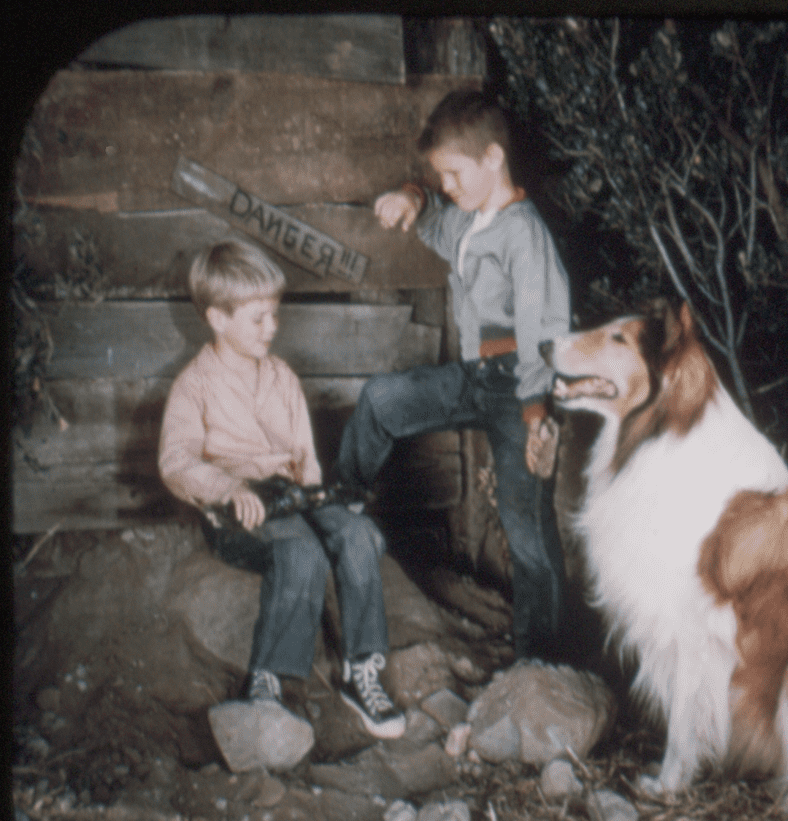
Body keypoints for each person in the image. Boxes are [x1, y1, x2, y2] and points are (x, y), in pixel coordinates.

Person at [336, 89, 570, 662]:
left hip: (521, 387)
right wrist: (411, 197)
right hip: (474, 378)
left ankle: (541, 661)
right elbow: (434, 223)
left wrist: (538, 416)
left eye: (453, 173)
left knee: (527, 533)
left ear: (493, 158)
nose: (447, 185)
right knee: (383, 399)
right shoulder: (470, 220)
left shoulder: (524, 234)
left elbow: (546, 326)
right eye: (440, 176)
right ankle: (343, 500)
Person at [158, 239, 405, 739]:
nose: (272, 328)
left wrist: (326, 503)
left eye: (274, 315)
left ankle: (362, 672)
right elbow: (176, 461)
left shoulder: (282, 377)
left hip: (291, 496)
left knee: (357, 534)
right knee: (302, 552)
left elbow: (305, 460)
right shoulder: (195, 385)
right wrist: (227, 487)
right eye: (258, 319)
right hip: (238, 510)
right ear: (217, 319)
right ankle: (268, 680)